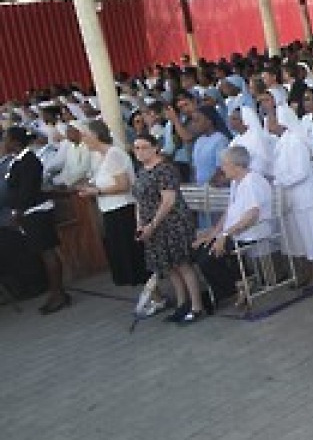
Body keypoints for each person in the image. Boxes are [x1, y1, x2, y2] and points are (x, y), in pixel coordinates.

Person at [130, 134, 204, 323]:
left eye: (144, 147)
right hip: (151, 225)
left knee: (182, 263)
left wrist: (153, 224)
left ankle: (196, 306)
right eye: (136, 148)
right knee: (169, 267)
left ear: (155, 148)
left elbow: (168, 201)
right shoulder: (141, 171)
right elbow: (139, 200)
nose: (139, 152)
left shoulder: (165, 169)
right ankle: (182, 304)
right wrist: (140, 224)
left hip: (172, 222)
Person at [191, 145, 274, 310]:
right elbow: (229, 212)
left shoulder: (252, 181)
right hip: (236, 232)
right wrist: (214, 233)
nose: (221, 168)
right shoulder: (237, 182)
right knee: (199, 249)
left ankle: (235, 287)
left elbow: (252, 215)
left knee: (208, 258)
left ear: (236, 165)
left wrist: (225, 235)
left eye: (224, 164)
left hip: (252, 230)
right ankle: (239, 283)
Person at [2, 127, 69, 313]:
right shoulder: (18, 161)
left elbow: (27, 191)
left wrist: (18, 212)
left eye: (6, 139)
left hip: (36, 211)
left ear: (15, 142)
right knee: (42, 252)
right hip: (29, 212)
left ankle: (57, 293)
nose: (4, 143)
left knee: (47, 252)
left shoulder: (29, 161)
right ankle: (56, 291)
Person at [78, 119, 148, 287]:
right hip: (110, 210)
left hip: (123, 209)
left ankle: (154, 293)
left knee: (133, 255)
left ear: (95, 135)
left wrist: (98, 191)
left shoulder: (113, 154)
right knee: (122, 254)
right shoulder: (98, 156)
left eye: (86, 136)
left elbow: (123, 184)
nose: (83, 140)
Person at [267, 106, 313, 289]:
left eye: (271, 119)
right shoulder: (281, 141)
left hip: (305, 196)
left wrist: (280, 181)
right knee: (299, 239)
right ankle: (306, 273)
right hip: (290, 199)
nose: (268, 123)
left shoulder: (295, 140)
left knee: (312, 238)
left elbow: (301, 172)